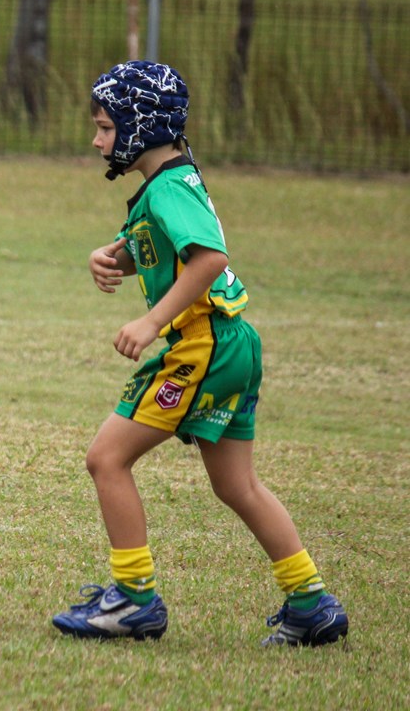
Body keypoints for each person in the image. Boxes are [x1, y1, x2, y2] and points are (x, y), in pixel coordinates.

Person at [51, 60, 348, 647]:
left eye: (106, 127)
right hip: (235, 342)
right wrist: (112, 255)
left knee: (106, 459)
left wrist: (152, 319)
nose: (96, 139)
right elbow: (161, 244)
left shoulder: (166, 187)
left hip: (202, 342)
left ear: (141, 127)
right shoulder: (170, 182)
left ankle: (134, 599)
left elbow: (208, 257)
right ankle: (311, 603)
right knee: (237, 486)